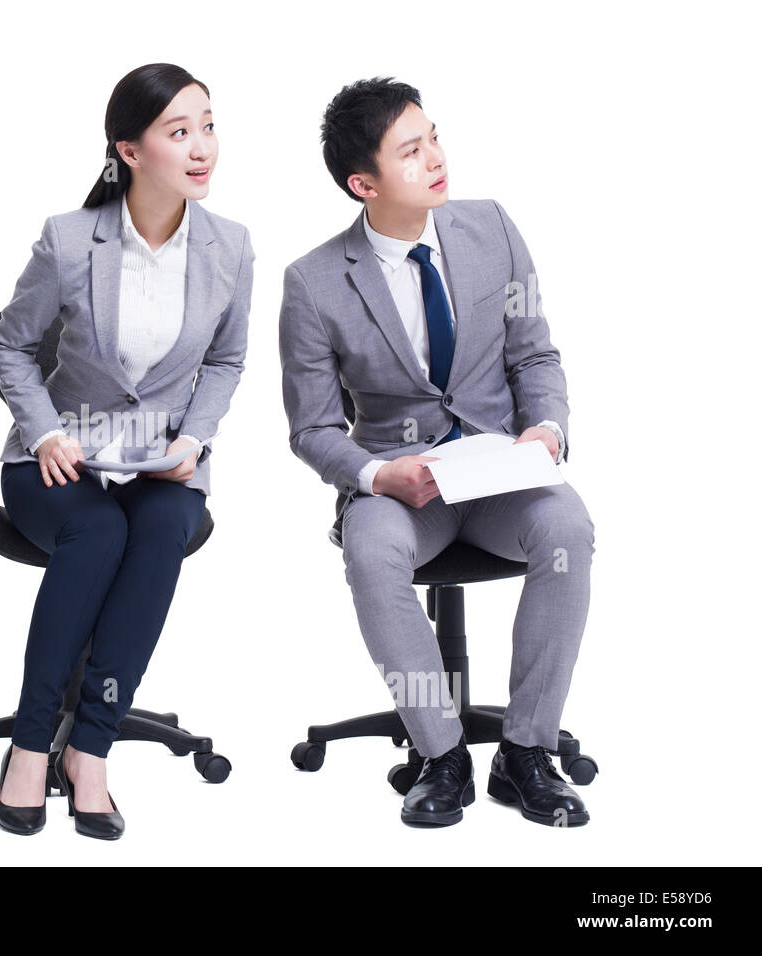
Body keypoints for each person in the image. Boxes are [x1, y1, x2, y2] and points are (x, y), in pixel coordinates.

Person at [278, 77, 595, 828]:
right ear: (364, 182)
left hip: (498, 476)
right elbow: (312, 428)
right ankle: (441, 754)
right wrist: (374, 473)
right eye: (410, 151)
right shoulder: (314, 284)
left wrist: (545, 430)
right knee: (371, 553)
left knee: (567, 532)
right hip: (398, 487)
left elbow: (535, 356)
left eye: (434, 138)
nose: (436, 159)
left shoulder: (493, 229)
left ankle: (526, 752)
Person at [0, 63, 254, 840]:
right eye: (179, 132)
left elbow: (229, 361)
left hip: (162, 458)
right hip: (56, 458)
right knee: (98, 530)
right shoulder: (71, 241)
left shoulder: (230, 248)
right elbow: (11, 343)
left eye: (208, 124)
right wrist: (43, 430)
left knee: (162, 525)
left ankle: (92, 750)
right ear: (130, 151)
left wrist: (195, 438)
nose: (202, 147)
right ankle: (32, 742)